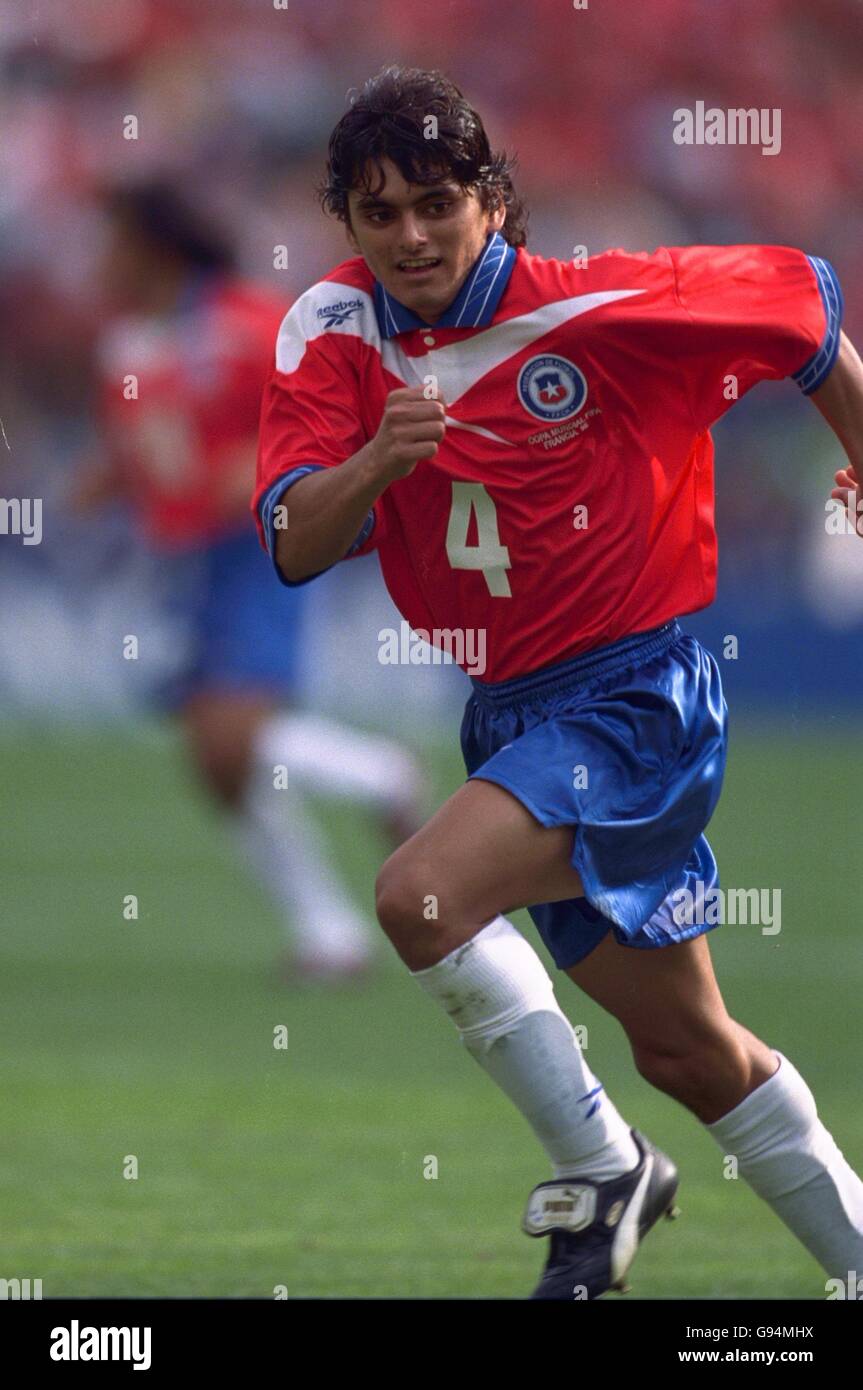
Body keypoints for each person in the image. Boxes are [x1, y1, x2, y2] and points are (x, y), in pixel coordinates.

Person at [252, 66, 863, 1296]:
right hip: (513, 714)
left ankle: (599, 1173)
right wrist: (378, 458)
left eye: (437, 202)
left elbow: (803, 309)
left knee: (418, 894)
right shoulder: (332, 331)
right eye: (380, 215)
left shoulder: (597, 304)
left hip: (638, 693)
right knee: (690, 1052)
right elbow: (291, 545)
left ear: (490, 197)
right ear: (348, 223)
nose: (412, 236)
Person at [77, 180, 423, 982]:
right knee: (217, 759)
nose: (99, 261)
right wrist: (108, 479)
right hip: (181, 560)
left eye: (112, 241)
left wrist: (272, 460)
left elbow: (329, 398)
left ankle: (379, 779)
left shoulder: (246, 320)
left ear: (151, 247)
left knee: (226, 736)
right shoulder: (128, 344)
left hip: (257, 548)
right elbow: (157, 453)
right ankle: (330, 929)